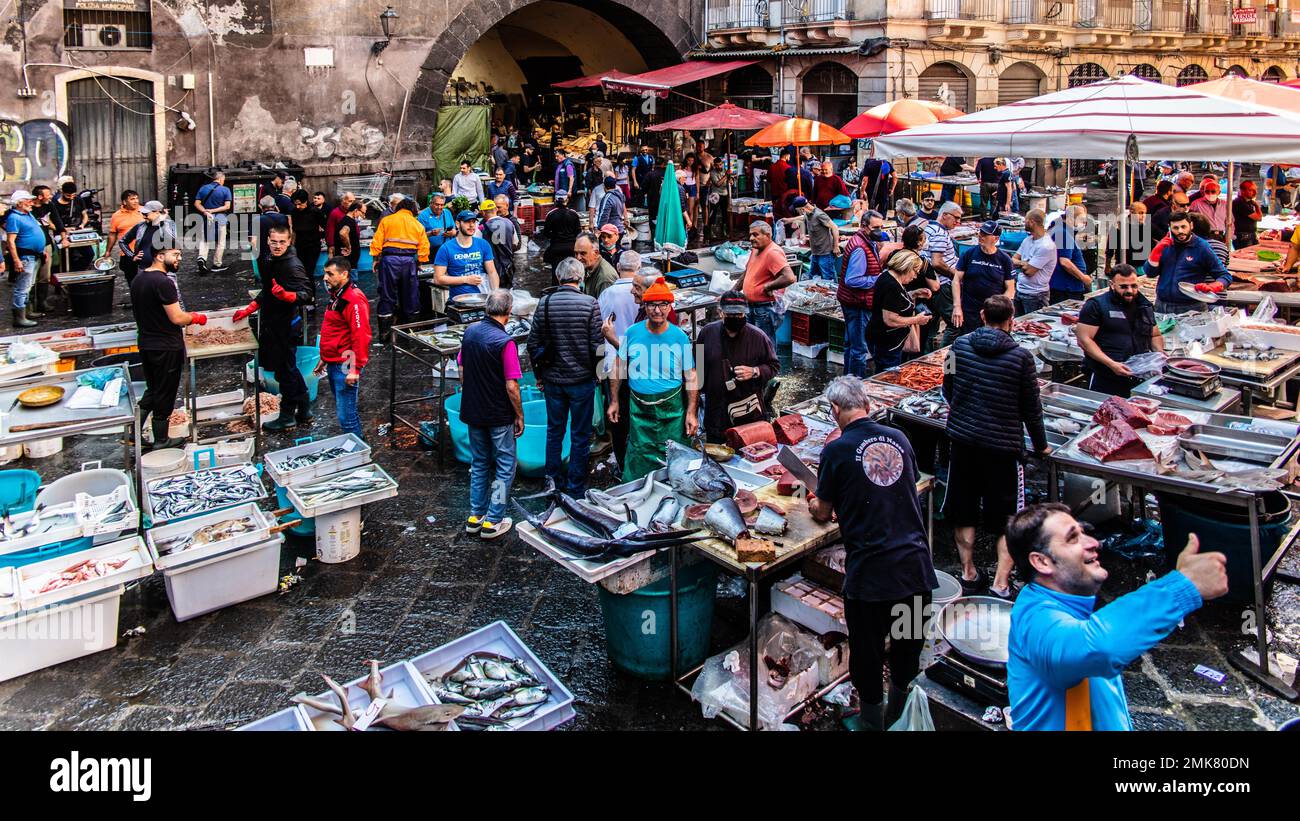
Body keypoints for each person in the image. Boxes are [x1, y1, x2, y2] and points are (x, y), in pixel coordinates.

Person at [1005, 503, 1227, 731]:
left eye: (1084, 533)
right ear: (1042, 562)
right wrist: (1183, 588)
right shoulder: (1035, 617)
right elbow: (1098, 647)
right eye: (1073, 538)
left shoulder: (1069, 605)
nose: (1094, 543)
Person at [809, 375, 937, 731]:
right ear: (866, 404)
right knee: (908, 646)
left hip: (870, 579)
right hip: (915, 570)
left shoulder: (835, 451)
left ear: (835, 411)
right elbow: (903, 485)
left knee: (866, 656)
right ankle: (900, 717)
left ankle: (870, 724)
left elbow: (822, 511)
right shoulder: (899, 438)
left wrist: (816, 504)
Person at [943, 294, 1049, 598]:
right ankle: (1000, 583)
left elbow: (947, 388)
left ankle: (968, 572)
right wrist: (1041, 445)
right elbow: (1032, 408)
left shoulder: (956, 347)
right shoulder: (1021, 358)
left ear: (981, 315)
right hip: (1003, 450)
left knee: (963, 510)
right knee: (1007, 519)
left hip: (962, 442)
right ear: (1011, 320)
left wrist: (964, 411)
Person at [607, 276, 699, 481]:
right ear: (645, 307)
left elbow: (691, 375)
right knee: (639, 456)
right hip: (639, 409)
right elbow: (618, 366)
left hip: (673, 411)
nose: (657, 310)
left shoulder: (680, 337)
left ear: (669, 307)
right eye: (652, 305)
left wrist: (691, 412)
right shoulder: (632, 333)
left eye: (663, 305)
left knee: (676, 460)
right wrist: (614, 400)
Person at [528, 257, 603, 497]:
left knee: (555, 431)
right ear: (580, 278)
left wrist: (539, 374)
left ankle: (552, 482)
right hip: (582, 381)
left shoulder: (545, 303)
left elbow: (533, 344)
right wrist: (599, 373)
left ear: (559, 277)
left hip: (553, 380)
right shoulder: (590, 303)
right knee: (580, 435)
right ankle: (576, 486)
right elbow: (597, 346)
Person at [233, 225, 315, 431]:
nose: (277, 246)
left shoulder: (293, 265)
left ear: (289, 242)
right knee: (286, 369)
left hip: (286, 325)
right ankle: (304, 409)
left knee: (285, 373)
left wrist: (288, 296)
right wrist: (252, 306)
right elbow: (268, 290)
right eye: (274, 242)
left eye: (282, 242)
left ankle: (287, 415)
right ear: (268, 241)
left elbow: (307, 294)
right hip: (274, 322)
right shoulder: (271, 259)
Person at [461, 289, 523, 540]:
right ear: (508, 313)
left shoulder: (470, 332)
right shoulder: (504, 342)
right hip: (498, 414)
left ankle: (475, 516)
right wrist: (519, 415)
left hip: (474, 410)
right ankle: (494, 518)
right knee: (505, 466)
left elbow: (463, 369)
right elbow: (512, 386)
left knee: (479, 464)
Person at [131, 245, 206, 451]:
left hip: (146, 342)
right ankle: (161, 440)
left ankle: (133, 431)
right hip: (165, 346)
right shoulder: (163, 282)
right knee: (165, 392)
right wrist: (196, 318)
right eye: (175, 254)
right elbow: (177, 317)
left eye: (179, 254)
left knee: (154, 388)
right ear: (159, 256)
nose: (179, 258)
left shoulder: (139, 279)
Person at [698, 290, 780, 443]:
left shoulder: (758, 336)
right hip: (716, 413)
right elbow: (697, 372)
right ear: (721, 313)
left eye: (739, 315)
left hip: (748, 413)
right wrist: (695, 407)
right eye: (731, 315)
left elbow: (774, 365)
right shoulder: (707, 333)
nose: (735, 318)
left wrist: (755, 371)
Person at [1074, 264, 1162, 397]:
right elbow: (1084, 340)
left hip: (1139, 375)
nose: (1130, 291)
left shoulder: (1144, 305)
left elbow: (1154, 334)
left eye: (1134, 286)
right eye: (1123, 286)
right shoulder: (1096, 305)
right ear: (1111, 284)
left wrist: (1160, 355)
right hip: (1106, 376)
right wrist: (1111, 364)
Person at [315, 257, 371, 438]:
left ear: (344, 274)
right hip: (334, 362)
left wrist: (355, 369)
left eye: (330, 274)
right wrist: (325, 357)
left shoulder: (353, 299)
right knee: (345, 411)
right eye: (325, 273)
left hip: (345, 364)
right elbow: (335, 330)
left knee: (346, 416)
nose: (325, 278)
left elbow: (361, 335)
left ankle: (358, 453)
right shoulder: (337, 295)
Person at [597, 252, 643, 470]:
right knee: (637, 412)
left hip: (615, 361)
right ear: (639, 267)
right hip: (640, 363)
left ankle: (622, 459)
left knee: (617, 413)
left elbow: (601, 329)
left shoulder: (608, 294)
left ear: (618, 267)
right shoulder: (645, 294)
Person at [1147, 210, 1231, 313]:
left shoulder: (1201, 246)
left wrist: (1214, 286)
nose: (1180, 231)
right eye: (1176, 228)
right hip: (1161, 306)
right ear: (1170, 227)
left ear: (1191, 225)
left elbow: (1225, 276)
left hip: (1191, 308)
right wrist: (1154, 255)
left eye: (1183, 227)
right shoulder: (1165, 244)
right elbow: (1150, 273)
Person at [370, 197, 431, 337]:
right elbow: (424, 247)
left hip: (388, 261)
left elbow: (377, 241)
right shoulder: (417, 224)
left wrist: (375, 259)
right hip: (409, 262)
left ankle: (384, 332)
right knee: (411, 295)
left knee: (387, 294)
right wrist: (420, 262)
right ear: (412, 209)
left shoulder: (387, 220)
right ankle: (412, 332)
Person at [867, 250, 930, 372]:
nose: (915, 276)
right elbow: (890, 319)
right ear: (906, 267)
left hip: (883, 340)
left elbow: (895, 303)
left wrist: (914, 294)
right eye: (915, 271)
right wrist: (917, 319)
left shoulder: (887, 276)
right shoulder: (892, 286)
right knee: (888, 378)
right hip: (886, 343)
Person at [838, 213, 885, 378]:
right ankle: (855, 386)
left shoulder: (865, 241)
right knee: (858, 349)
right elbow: (852, 279)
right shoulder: (859, 248)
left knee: (851, 344)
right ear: (864, 226)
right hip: (857, 303)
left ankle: (847, 381)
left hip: (852, 301)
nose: (879, 231)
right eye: (876, 228)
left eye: (881, 227)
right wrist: (877, 279)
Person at [951, 221, 1015, 336]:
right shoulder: (969, 254)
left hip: (993, 315)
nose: (981, 236)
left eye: (985, 234)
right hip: (970, 312)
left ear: (995, 239)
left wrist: (996, 307)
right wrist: (957, 306)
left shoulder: (1005, 259)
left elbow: (1010, 289)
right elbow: (956, 280)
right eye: (980, 232)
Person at [741, 221, 796, 344]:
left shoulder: (772, 252)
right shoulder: (756, 249)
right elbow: (747, 271)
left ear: (768, 235)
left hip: (764, 308)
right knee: (753, 343)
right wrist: (732, 291)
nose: (751, 238)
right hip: (751, 306)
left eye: (755, 235)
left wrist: (768, 286)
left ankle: (769, 364)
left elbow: (789, 277)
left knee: (765, 345)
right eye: (750, 235)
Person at [434, 208, 498, 300]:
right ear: (457, 224)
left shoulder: (483, 244)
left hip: (483, 298)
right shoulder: (446, 248)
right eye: (467, 222)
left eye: (473, 222)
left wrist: (495, 294)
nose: (472, 225)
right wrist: (466, 279)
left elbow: (492, 272)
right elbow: (438, 279)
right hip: (459, 300)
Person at [4, 190, 44, 328]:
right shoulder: (14, 218)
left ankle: (27, 311)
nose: (31, 202)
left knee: (28, 285)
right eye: (28, 200)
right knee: (22, 287)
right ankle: (19, 317)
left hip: (34, 255)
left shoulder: (28, 214)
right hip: (25, 256)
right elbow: (11, 241)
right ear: (20, 203)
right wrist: (16, 260)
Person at [1011, 208, 1057, 316]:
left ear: (1032, 222)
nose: (1024, 223)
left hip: (1036, 295)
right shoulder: (1027, 240)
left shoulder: (1046, 246)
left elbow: (1029, 271)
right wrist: (1025, 263)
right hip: (1020, 291)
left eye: (1025, 220)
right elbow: (1013, 260)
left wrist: (1023, 263)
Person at [194, 169, 232, 274]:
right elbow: (227, 206)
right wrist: (213, 210)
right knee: (220, 242)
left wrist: (206, 211)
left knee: (205, 240)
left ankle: (202, 258)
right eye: (223, 179)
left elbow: (197, 204)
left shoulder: (203, 188)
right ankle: (217, 264)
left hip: (206, 218)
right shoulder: (225, 190)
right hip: (220, 219)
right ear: (220, 179)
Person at [794, 196, 840, 281]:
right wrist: (787, 220)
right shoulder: (807, 214)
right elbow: (801, 218)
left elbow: (834, 227)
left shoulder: (819, 215)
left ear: (802, 209)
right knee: (812, 277)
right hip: (815, 253)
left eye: (797, 210)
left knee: (829, 279)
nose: (798, 213)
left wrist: (836, 246)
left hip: (825, 253)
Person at [482, 196, 519, 289]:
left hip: (491, 270)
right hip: (508, 267)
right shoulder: (510, 223)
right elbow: (516, 243)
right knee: (507, 295)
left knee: (494, 296)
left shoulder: (482, 228)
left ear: (483, 212)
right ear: (495, 210)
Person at [541, 191, 581, 276]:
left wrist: (554, 237)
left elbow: (546, 233)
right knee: (572, 272)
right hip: (571, 248)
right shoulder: (573, 214)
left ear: (555, 201)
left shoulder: (551, 214)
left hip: (556, 248)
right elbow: (578, 232)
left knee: (556, 273)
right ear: (567, 200)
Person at [108, 190, 143, 284]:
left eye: (137, 198)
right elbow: (112, 234)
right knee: (132, 281)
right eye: (132, 199)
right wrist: (107, 251)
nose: (136, 201)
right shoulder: (116, 216)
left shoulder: (144, 211)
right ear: (124, 202)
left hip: (143, 251)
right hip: (127, 253)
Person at [290, 189, 326, 281]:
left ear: (305, 201)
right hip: (299, 246)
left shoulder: (315, 212)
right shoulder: (294, 212)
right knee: (299, 272)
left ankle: (310, 294)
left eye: (300, 204)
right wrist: (292, 246)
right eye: (295, 204)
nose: (297, 206)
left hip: (312, 246)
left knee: (308, 273)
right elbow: (294, 230)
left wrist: (322, 238)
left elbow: (325, 226)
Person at [574, 232, 617, 299]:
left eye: (583, 253)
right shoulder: (589, 268)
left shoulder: (605, 278)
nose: (578, 258)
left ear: (596, 253)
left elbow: (604, 308)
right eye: (576, 253)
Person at [334, 198, 366, 272]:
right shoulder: (349, 221)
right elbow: (343, 233)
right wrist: (348, 247)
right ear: (355, 211)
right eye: (363, 213)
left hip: (347, 264)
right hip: (348, 265)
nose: (364, 216)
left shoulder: (346, 220)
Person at [1232, 180, 1263, 248]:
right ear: (1242, 191)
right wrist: (1257, 206)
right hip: (1244, 236)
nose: (1254, 192)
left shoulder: (1248, 202)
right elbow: (1259, 218)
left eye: (1255, 190)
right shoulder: (1240, 203)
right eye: (1251, 190)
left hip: (1249, 234)